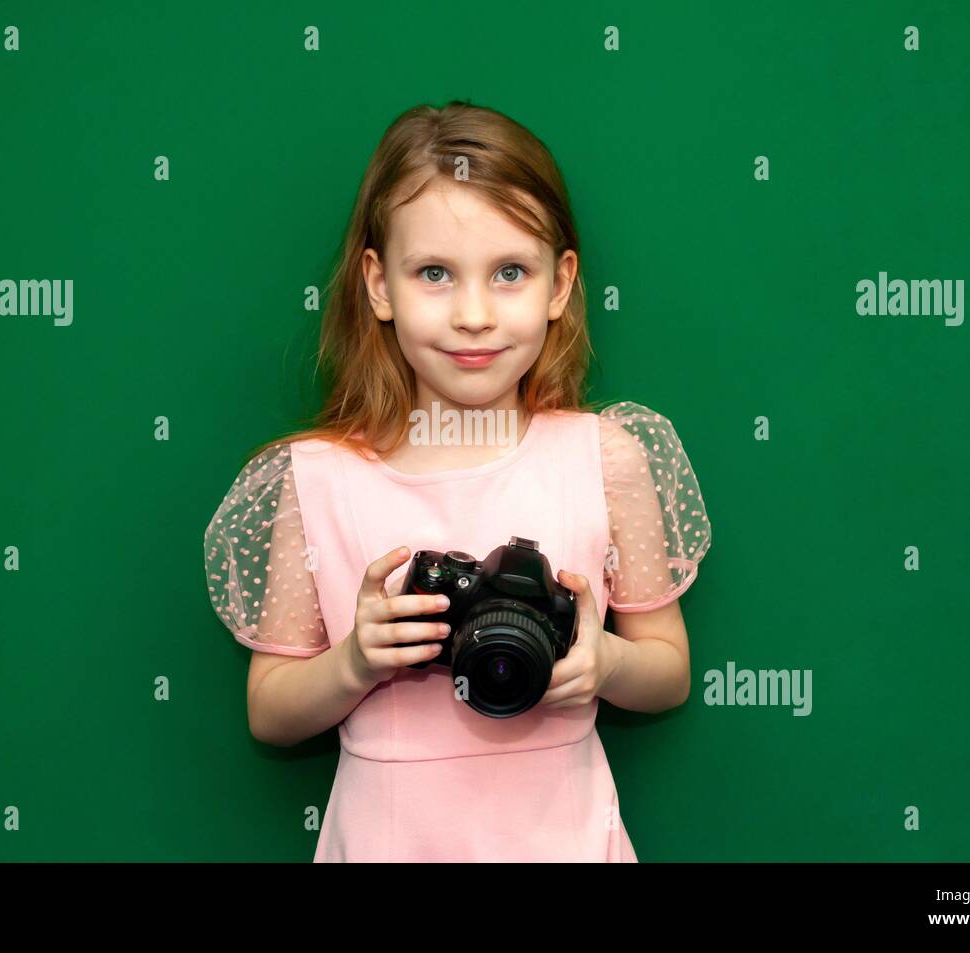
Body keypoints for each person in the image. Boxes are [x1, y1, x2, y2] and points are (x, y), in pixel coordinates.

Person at [204, 100, 712, 862]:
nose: (473, 315)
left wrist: (604, 661)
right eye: (434, 273)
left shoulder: (607, 458)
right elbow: (270, 711)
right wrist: (354, 662)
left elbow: (669, 672)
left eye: (510, 272)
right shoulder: (316, 479)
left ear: (559, 283)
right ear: (378, 284)